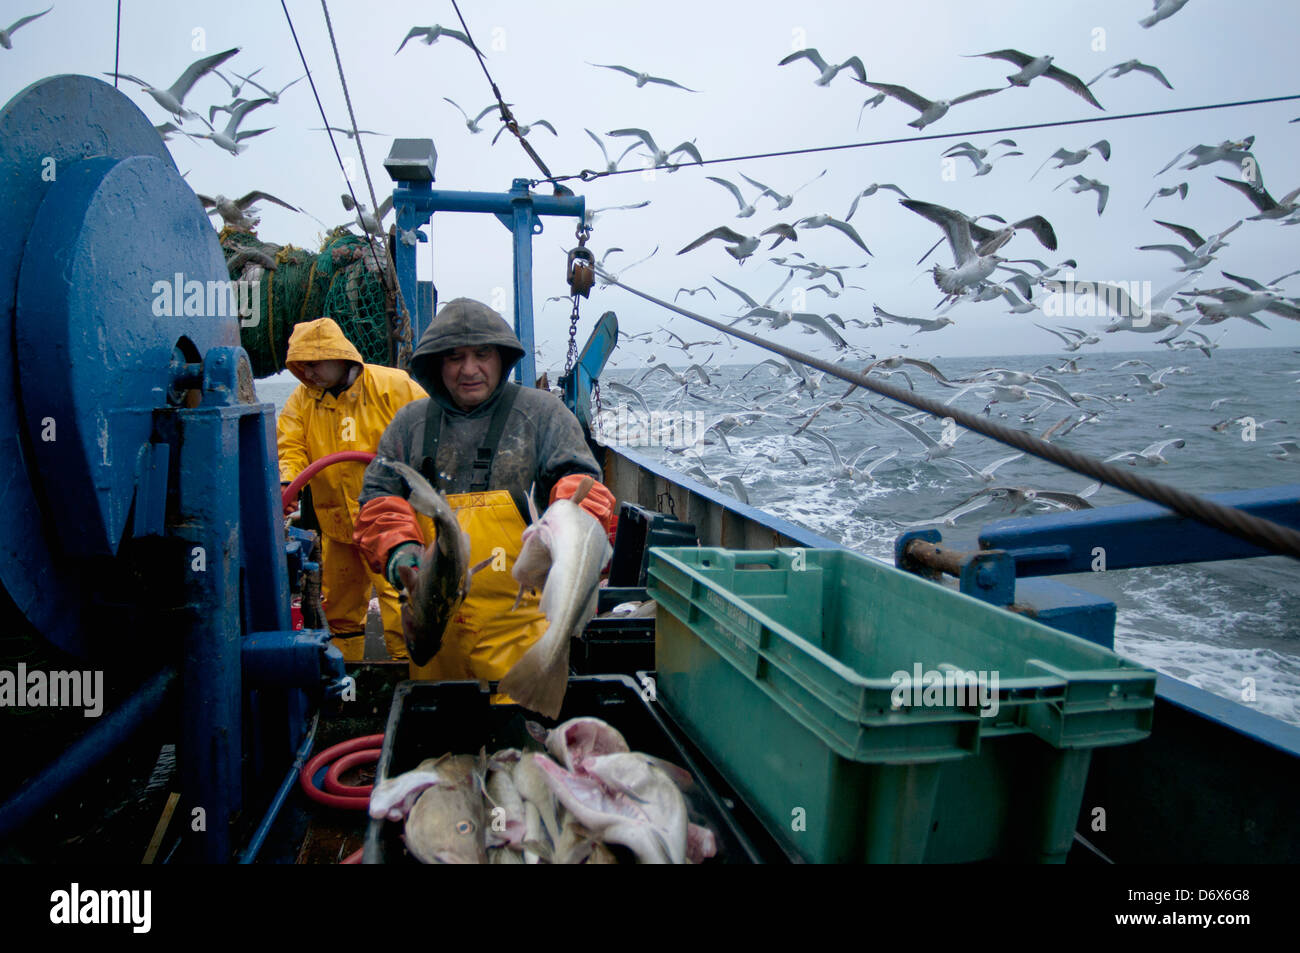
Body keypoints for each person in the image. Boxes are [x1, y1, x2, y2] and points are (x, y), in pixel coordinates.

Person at [352, 298, 617, 682]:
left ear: (502, 357)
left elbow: (582, 482)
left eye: (482, 354)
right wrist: (402, 556)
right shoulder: (411, 423)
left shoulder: (543, 414)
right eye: (454, 357)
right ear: (436, 363)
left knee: (523, 735)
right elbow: (378, 498)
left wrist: (565, 531)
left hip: (523, 634)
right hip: (437, 634)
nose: (469, 369)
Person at [276, 317, 428, 662]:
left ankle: (411, 674)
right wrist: (288, 481)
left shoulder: (394, 386)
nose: (308, 374)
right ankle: (351, 680)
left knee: (401, 594)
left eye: (312, 364)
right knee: (341, 607)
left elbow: (427, 433)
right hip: (338, 526)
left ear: (337, 355)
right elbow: (291, 446)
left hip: (392, 522)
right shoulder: (302, 400)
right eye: (300, 367)